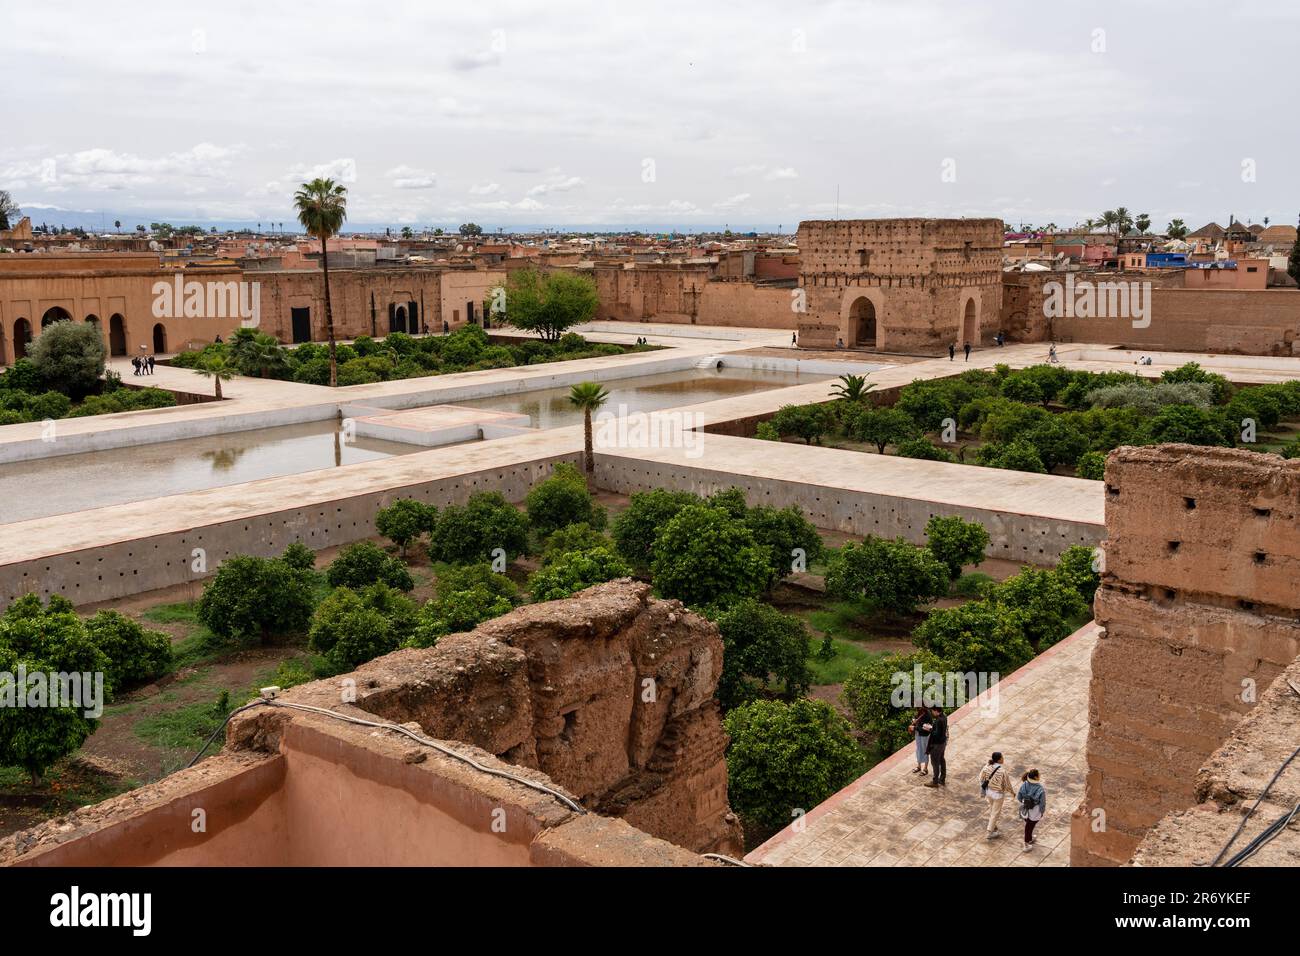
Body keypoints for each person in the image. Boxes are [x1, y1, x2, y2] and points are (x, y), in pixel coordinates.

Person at [979, 752, 1016, 839]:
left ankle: (994, 827)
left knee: (992, 809)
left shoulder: (987, 766)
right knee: (995, 813)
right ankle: (989, 831)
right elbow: (1007, 784)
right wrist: (1012, 792)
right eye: (1002, 758)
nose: (1003, 759)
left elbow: (981, 777)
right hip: (998, 795)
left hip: (988, 792)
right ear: (999, 759)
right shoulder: (1002, 771)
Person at [1018, 769, 1047, 851]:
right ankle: (1026, 843)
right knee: (1029, 826)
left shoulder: (1024, 784)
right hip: (1035, 811)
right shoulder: (1040, 789)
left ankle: (1029, 839)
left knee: (1029, 824)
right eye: (1039, 775)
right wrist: (1042, 812)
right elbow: (1042, 803)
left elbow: (1019, 797)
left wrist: (1024, 803)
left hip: (1026, 809)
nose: (1040, 776)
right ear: (1035, 777)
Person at [923, 705, 948, 787]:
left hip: (937, 745)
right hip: (943, 743)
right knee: (942, 760)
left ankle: (935, 782)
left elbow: (936, 734)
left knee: (935, 763)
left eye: (933, 711)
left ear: (936, 711)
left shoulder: (938, 721)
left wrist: (929, 729)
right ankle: (942, 779)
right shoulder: (944, 716)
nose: (932, 713)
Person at [908, 706, 930, 776]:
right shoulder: (918, 712)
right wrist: (914, 720)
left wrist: (915, 727)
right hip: (918, 733)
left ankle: (925, 769)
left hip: (924, 735)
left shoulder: (927, 715)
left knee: (925, 750)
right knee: (918, 749)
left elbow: (926, 728)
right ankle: (919, 766)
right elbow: (915, 718)